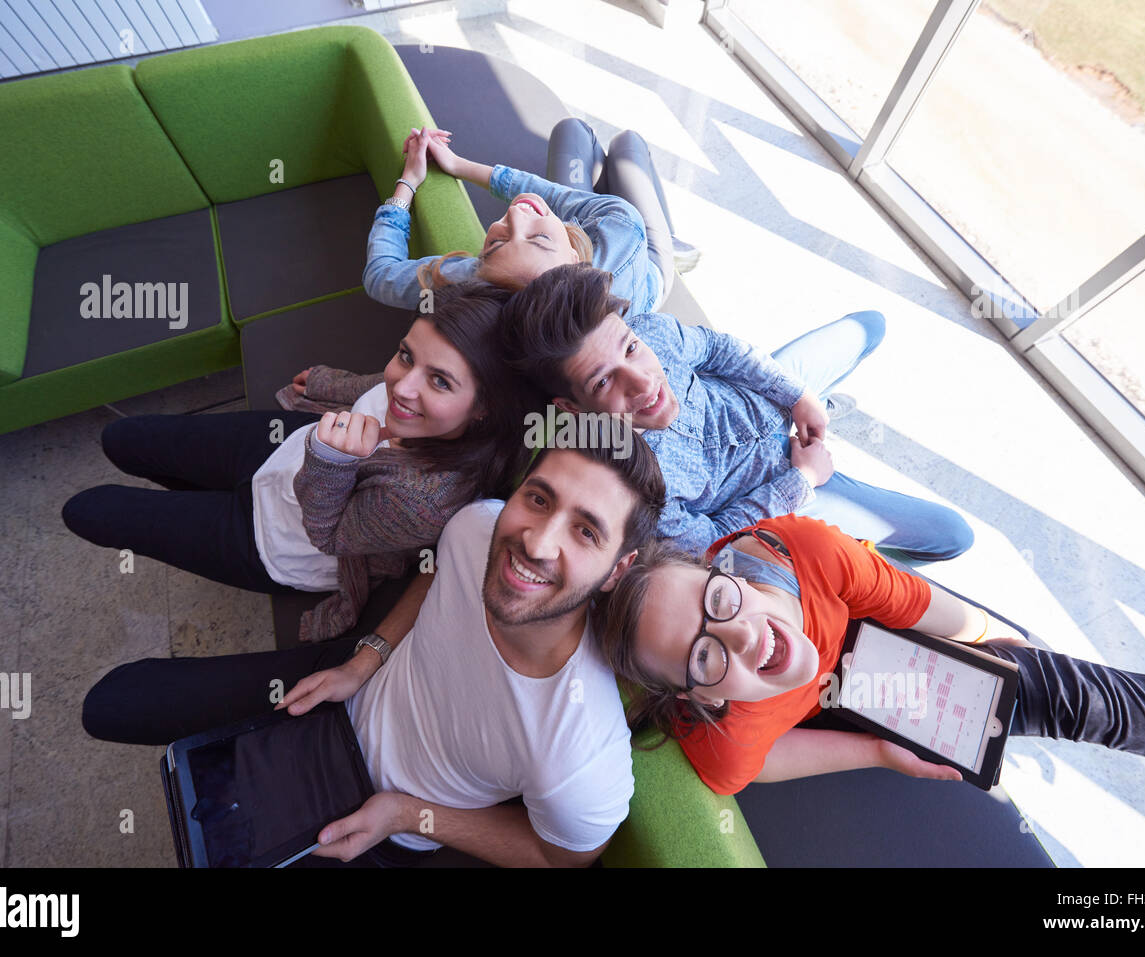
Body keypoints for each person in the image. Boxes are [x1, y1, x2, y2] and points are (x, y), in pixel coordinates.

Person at [82, 429, 668, 867]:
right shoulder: (478, 527)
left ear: (617, 570)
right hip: (342, 695)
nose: (537, 542)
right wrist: (366, 658)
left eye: (585, 531)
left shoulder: (584, 752)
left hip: (390, 822)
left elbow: (558, 857)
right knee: (114, 706)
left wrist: (409, 815)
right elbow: (440, 573)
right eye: (538, 499)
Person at [596, 513, 1145, 796]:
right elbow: (760, 762)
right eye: (704, 657)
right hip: (852, 695)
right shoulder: (723, 738)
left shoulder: (810, 551)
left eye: (721, 603)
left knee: (1067, 695)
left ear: (719, 573)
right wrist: (874, 752)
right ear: (698, 695)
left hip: (865, 611)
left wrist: (993, 637)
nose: (742, 636)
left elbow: (927, 607)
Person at [62, 282, 535, 643]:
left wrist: (331, 461)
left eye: (441, 382)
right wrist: (331, 384)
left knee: (92, 511)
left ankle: (207, 509)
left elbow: (326, 534)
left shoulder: (421, 500)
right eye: (406, 355)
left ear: (484, 408)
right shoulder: (411, 392)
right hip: (283, 449)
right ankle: (199, 501)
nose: (405, 387)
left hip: (276, 538)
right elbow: (381, 384)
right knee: (123, 438)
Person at [498, 263, 974, 560]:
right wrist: (802, 481)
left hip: (767, 402)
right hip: (779, 482)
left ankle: (823, 403)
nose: (644, 383)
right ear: (572, 408)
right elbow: (712, 543)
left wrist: (796, 395)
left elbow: (721, 351)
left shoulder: (651, 332)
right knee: (953, 536)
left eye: (631, 350)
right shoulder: (629, 488)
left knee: (871, 325)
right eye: (604, 382)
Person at [363, 118, 694, 316]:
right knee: (627, 145)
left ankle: (587, 203)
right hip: (647, 267)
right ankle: (671, 243)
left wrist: (418, 177)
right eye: (539, 238)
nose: (516, 215)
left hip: (582, 226)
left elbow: (380, 276)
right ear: (576, 257)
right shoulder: (622, 230)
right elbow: (549, 198)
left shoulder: (480, 278)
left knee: (572, 129)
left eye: (497, 242)